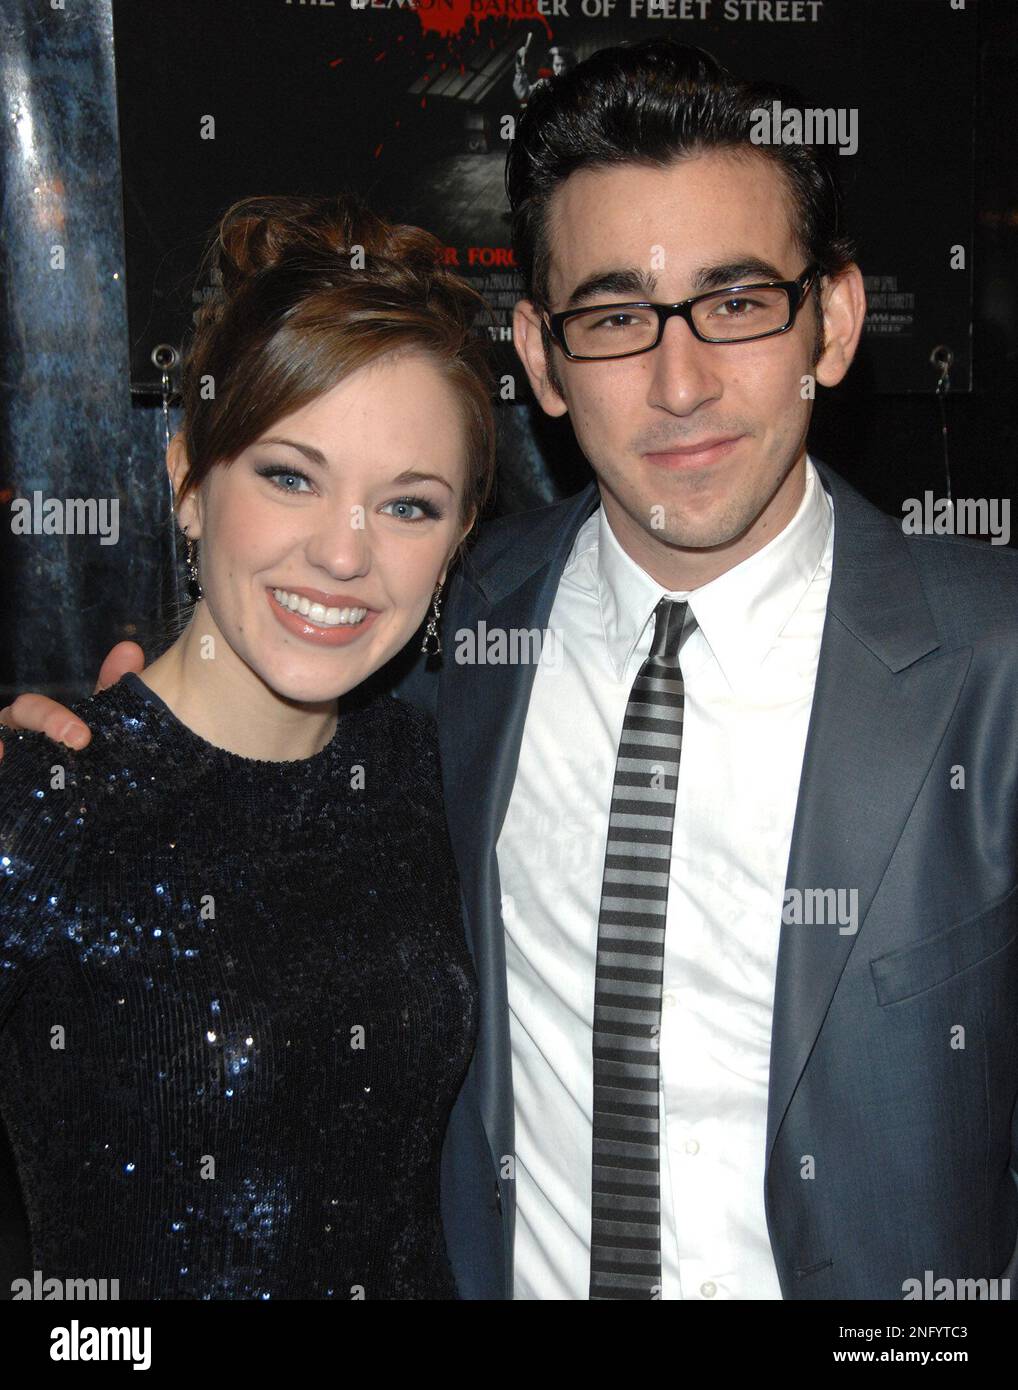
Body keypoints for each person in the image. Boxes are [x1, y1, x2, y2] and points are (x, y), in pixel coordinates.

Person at [7, 40, 1018, 1304]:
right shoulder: (460, 632)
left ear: (837, 319)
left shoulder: (993, 664)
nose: (681, 379)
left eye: (739, 301)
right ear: (539, 358)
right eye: (613, 317)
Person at [0, 192, 496, 1299]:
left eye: (408, 506)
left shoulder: (430, 773)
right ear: (188, 478)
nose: (342, 553)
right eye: (289, 476)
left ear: (458, 537)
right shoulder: (46, 803)